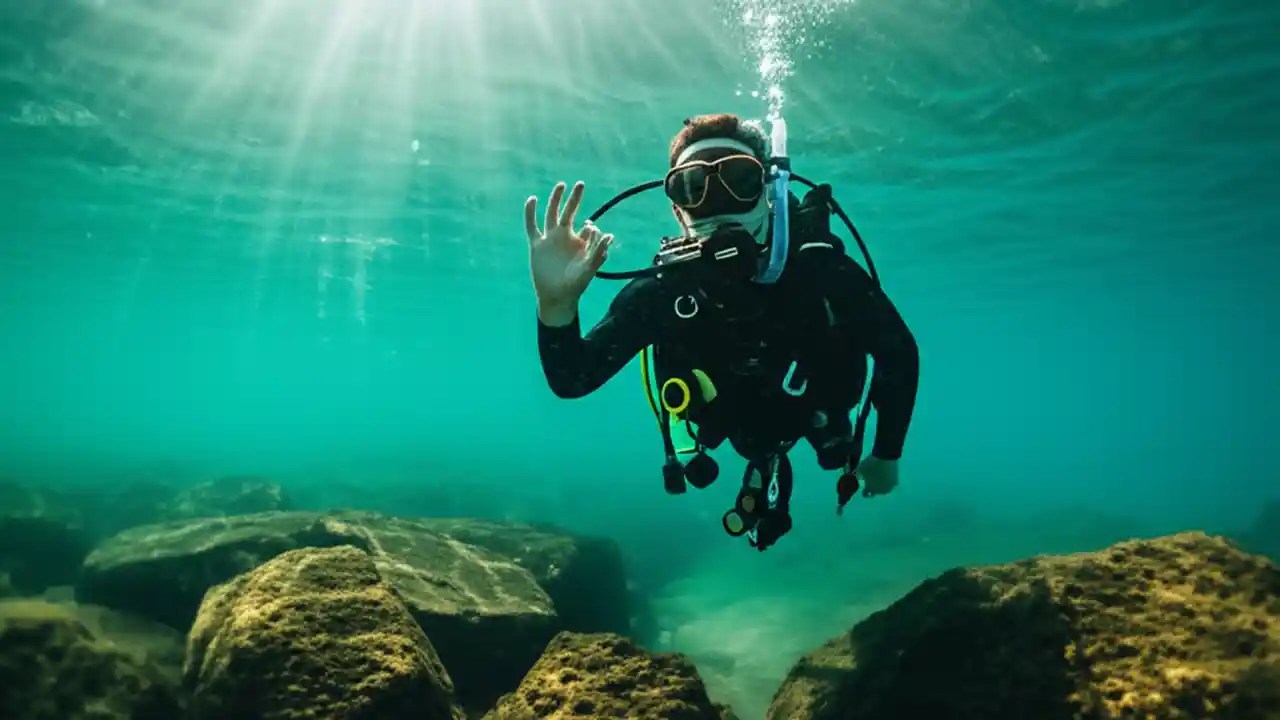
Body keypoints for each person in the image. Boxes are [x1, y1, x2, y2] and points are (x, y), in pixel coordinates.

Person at [524, 113, 919, 551]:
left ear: (769, 193)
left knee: (823, 446)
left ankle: (768, 464)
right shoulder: (663, 293)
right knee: (750, 443)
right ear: (678, 211)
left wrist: (887, 452)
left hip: (811, 412)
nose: (720, 204)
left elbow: (897, 352)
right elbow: (572, 377)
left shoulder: (820, 270)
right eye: (694, 188)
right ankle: (764, 466)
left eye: (739, 178)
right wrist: (556, 307)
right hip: (721, 419)